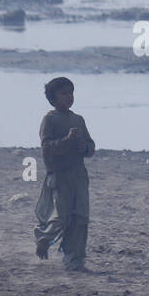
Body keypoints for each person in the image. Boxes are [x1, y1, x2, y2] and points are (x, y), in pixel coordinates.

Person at [34, 77, 95, 272]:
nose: (69, 97)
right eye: (64, 93)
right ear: (53, 98)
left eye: (71, 92)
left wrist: (85, 146)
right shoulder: (49, 119)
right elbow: (47, 149)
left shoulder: (78, 119)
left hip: (79, 175)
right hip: (60, 176)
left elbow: (91, 146)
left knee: (81, 217)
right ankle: (44, 238)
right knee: (63, 217)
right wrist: (67, 141)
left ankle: (74, 260)